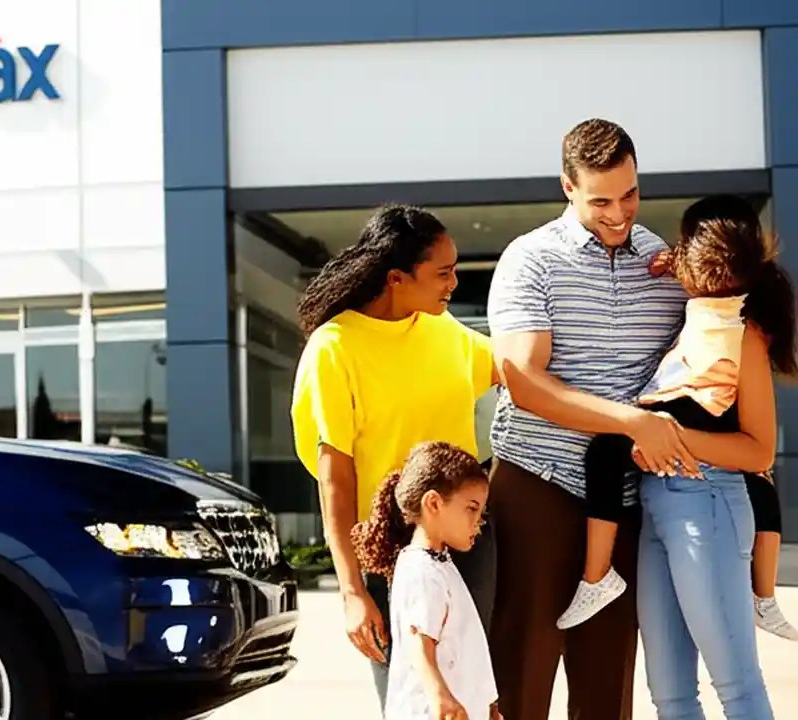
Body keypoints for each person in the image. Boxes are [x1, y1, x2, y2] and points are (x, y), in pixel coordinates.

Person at [485, 118, 692, 719]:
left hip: (626, 495)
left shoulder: (663, 264)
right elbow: (524, 384)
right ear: (567, 187)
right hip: (537, 481)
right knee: (520, 671)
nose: (619, 211)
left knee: (608, 682)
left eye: (629, 194)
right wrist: (631, 423)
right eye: (601, 199)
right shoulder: (531, 260)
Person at [556, 198, 798, 642]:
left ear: (703, 254)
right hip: (700, 405)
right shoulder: (737, 294)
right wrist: (668, 261)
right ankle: (764, 597)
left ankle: (597, 575)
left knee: (605, 454)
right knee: (760, 485)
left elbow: (757, 447)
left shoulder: (744, 325)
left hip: (691, 402)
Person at [291, 204, 499, 709]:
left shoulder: (445, 330)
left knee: (473, 696)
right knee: (413, 703)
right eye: (442, 273)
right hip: (387, 552)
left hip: (469, 543)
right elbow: (335, 481)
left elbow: (518, 370)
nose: (454, 283)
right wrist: (351, 592)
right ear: (397, 279)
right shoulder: (334, 348)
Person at [628, 195, 787, 718]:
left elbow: (759, 448)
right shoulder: (703, 313)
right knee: (669, 695)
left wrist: (664, 434)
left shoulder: (746, 335)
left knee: (737, 686)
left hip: (709, 502)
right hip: (657, 505)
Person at [351, 441, 500, 720]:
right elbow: (418, 639)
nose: (478, 522)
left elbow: (464, 645)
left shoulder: (438, 563)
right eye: (471, 508)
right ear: (433, 503)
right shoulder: (423, 571)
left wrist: (486, 706)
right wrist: (440, 695)